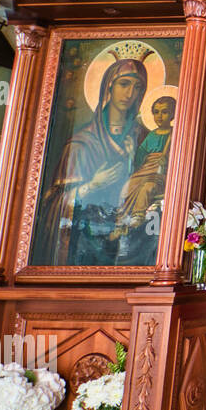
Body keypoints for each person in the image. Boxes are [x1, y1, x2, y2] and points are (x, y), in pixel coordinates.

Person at [35, 55, 149, 266]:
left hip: (129, 237)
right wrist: (92, 185)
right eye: (124, 84)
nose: (130, 94)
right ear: (109, 86)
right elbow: (55, 204)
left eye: (137, 88)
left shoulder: (144, 138)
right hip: (86, 239)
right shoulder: (80, 143)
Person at [110, 95, 176, 264]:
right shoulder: (152, 135)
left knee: (148, 188)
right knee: (127, 186)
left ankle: (137, 217)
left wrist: (168, 160)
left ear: (173, 114)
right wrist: (133, 154)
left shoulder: (175, 135)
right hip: (146, 168)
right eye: (156, 112)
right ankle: (121, 223)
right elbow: (140, 157)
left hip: (161, 173)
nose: (160, 116)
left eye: (164, 112)